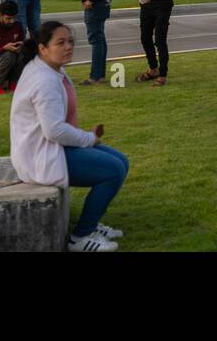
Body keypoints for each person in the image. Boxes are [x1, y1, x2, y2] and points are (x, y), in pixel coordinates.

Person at [10, 20, 129, 252]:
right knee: (112, 171)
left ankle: (92, 224)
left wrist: (87, 139)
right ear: (42, 48)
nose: (68, 47)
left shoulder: (50, 69)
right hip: (42, 155)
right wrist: (88, 139)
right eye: (60, 43)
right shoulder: (44, 80)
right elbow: (54, 130)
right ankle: (80, 237)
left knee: (121, 161)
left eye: (71, 42)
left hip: (53, 147)